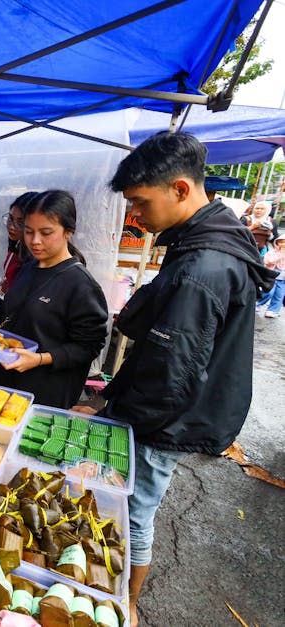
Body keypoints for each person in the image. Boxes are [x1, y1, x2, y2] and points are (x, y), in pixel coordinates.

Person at [72, 131, 276, 627]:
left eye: (140, 202)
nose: (135, 216)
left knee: (135, 510)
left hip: (173, 419)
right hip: (185, 405)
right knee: (131, 502)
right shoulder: (211, 236)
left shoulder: (202, 266)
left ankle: (126, 606)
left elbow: (172, 375)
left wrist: (111, 417)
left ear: (181, 189)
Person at [0, 190, 108, 408]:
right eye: (29, 231)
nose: (35, 241)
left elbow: (88, 346)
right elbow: (21, 311)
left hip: (42, 393)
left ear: (68, 231)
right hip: (4, 382)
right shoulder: (29, 268)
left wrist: (40, 359)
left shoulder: (81, 285)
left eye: (46, 232)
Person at [256, 234, 285, 318]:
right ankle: (258, 304)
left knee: (279, 295)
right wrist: (280, 254)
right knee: (268, 292)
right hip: (271, 277)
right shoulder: (272, 253)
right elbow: (269, 261)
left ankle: (272, 310)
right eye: (282, 243)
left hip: (282, 279)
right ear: (277, 243)